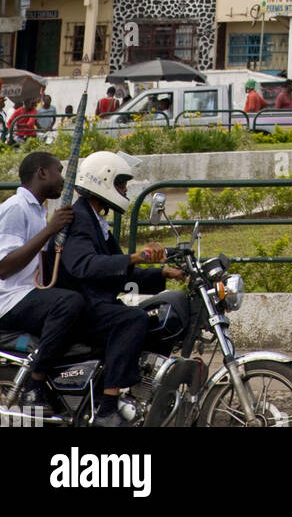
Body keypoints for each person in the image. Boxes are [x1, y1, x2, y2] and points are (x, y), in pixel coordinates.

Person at [56, 151, 185, 427]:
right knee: (133, 319)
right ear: (102, 180)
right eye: (120, 183)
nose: (125, 190)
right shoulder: (79, 219)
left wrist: (163, 275)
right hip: (81, 306)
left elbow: (121, 272)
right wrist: (136, 257)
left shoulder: (97, 222)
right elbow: (84, 265)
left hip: (98, 301)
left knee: (150, 316)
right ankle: (108, 408)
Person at [0, 151, 84, 410]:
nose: (63, 178)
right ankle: (34, 385)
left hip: (27, 294)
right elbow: (3, 267)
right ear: (42, 172)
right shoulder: (16, 208)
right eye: (59, 170)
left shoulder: (38, 211)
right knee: (68, 303)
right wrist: (50, 230)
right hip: (10, 299)